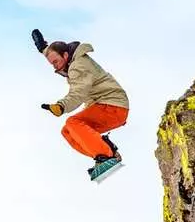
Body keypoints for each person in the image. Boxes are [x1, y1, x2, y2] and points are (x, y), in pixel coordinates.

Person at [33, 30, 129, 182]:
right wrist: (43, 48)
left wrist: (61, 106)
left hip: (112, 105)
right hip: (105, 106)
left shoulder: (78, 66)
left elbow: (78, 93)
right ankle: (105, 154)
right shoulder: (68, 59)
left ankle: (107, 156)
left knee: (73, 123)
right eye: (51, 63)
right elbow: (53, 53)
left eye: (55, 62)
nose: (54, 66)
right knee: (68, 132)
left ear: (65, 55)